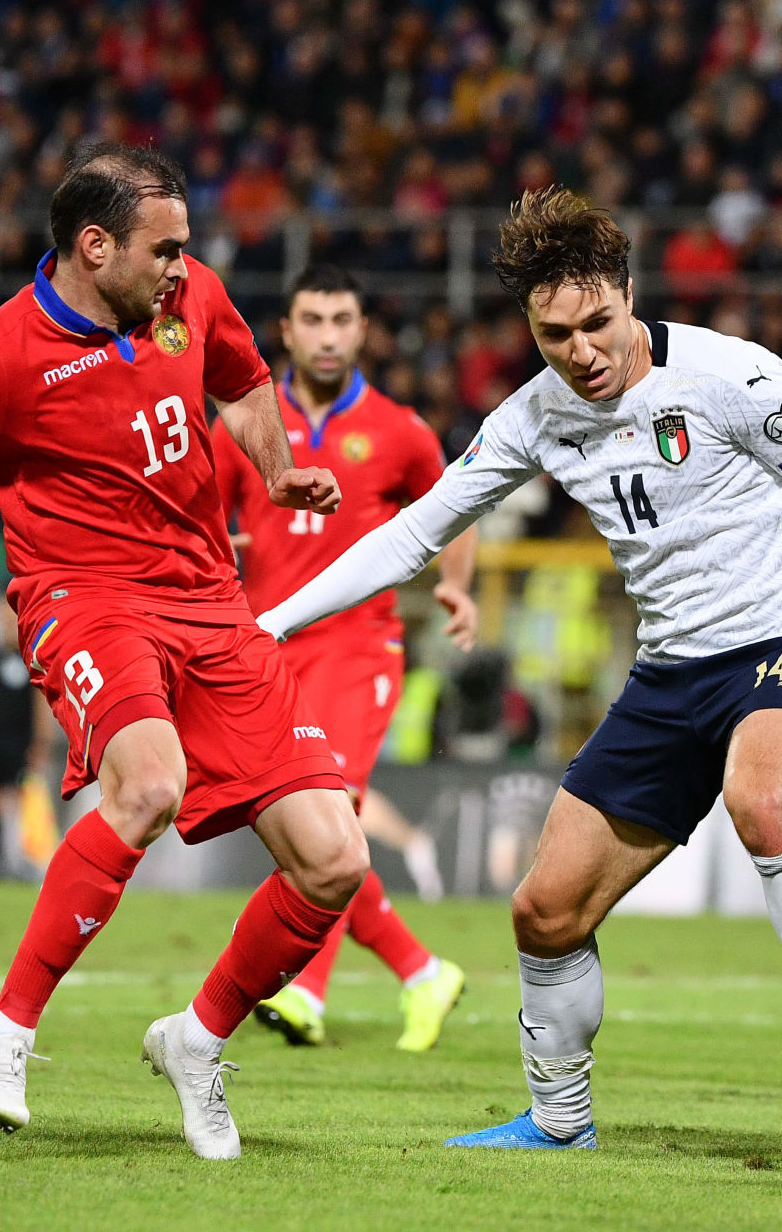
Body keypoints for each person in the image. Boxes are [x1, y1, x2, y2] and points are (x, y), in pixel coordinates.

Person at [256, 186, 782, 1152]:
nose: (580, 351)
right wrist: (272, 623)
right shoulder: (534, 416)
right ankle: (558, 1119)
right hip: (669, 675)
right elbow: (415, 534)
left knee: (761, 803)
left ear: (629, 294)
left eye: (596, 323)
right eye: (553, 335)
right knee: (543, 910)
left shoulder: (733, 377)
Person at [0, 142, 362, 1161]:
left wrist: (277, 467)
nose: (184, 268)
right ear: (96, 246)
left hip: (211, 601)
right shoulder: (0, 357)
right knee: (149, 784)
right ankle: (2, 1041)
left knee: (334, 859)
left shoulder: (188, 297)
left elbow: (243, 377)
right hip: (84, 601)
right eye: (165, 250)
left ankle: (198, 1038)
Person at [213, 262, 477, 1053]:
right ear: (285, 331)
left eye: (341, 320)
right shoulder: (243, 426)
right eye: (312, 320)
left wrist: (458, 588)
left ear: (362, 331)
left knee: (332, 814)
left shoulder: (400, 431)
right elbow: (206, 519)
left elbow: (459, 506)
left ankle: (308, 990)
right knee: (306, 833)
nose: (327, 335)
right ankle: (420, 970)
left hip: (359, 647)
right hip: (267, 652)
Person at [0, 599, 57, 881]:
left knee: (24, 799)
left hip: (22, 741)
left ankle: (26, 857)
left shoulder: (34, 659)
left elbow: (42, 704)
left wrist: (41, 742)